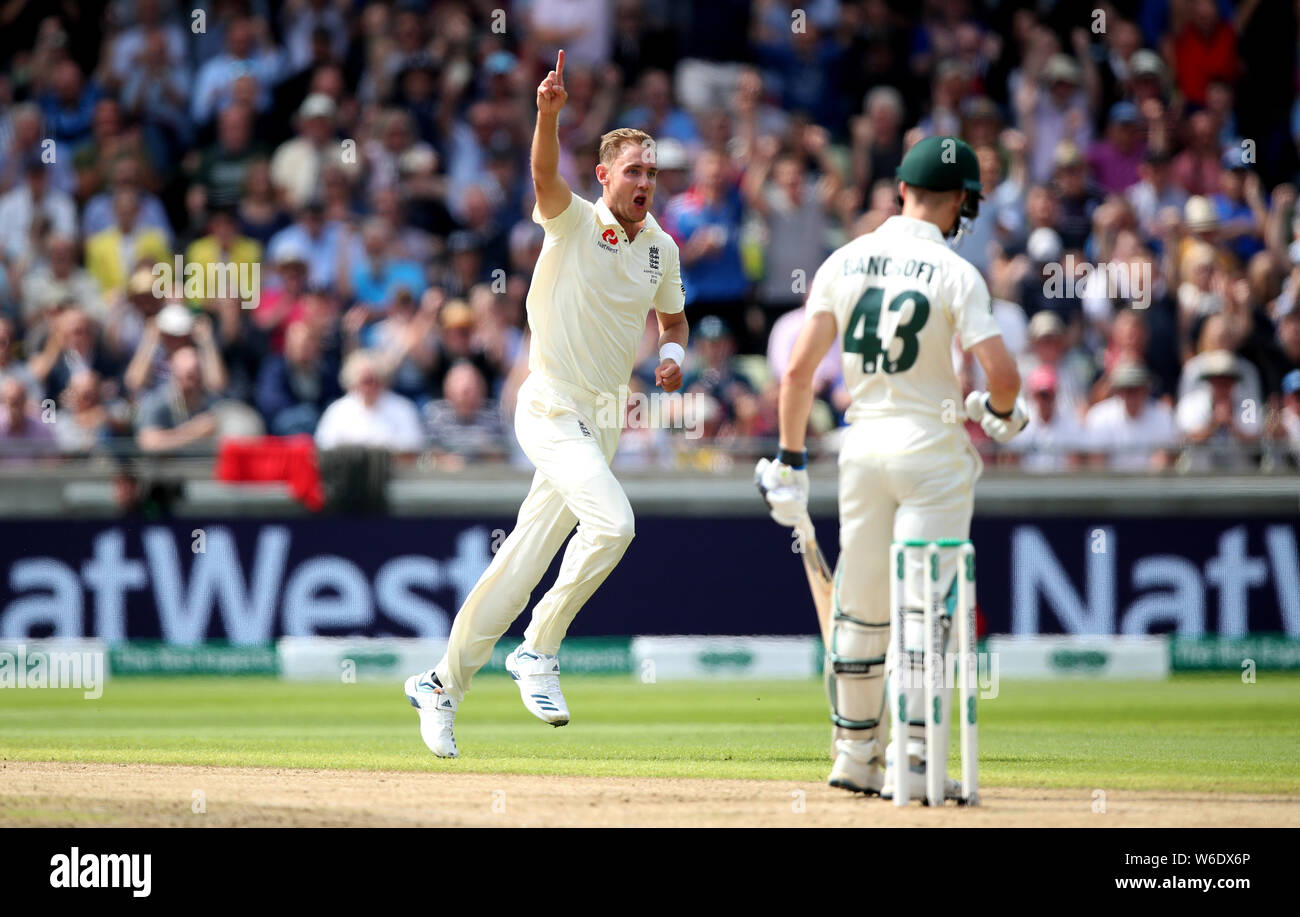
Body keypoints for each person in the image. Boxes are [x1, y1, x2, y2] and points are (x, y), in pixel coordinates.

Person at [404, 50, 688, 758]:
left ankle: (442, 683)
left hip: (603, 420)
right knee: (615, 523)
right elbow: (540, 175)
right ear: (605, 177)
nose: (645, 182)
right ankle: (537, 648)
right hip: (550, 404)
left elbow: (674, 320)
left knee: (522, 562)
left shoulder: (662, 250)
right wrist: (547, 116)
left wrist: (673, 355)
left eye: (652, 172)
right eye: (634, 171)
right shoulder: (574, 221)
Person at [756, 136, 1025, 800]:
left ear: (901, 188)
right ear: (961, 201)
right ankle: (913, 755)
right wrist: (997, 411)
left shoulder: (843, 261)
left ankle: (853, 753)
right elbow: (1004, 375)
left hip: (862, 449)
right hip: (931, 449)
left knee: (862, 604)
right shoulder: (957, 272)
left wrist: (790, 461)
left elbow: (794, 373)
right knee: (925, 606)